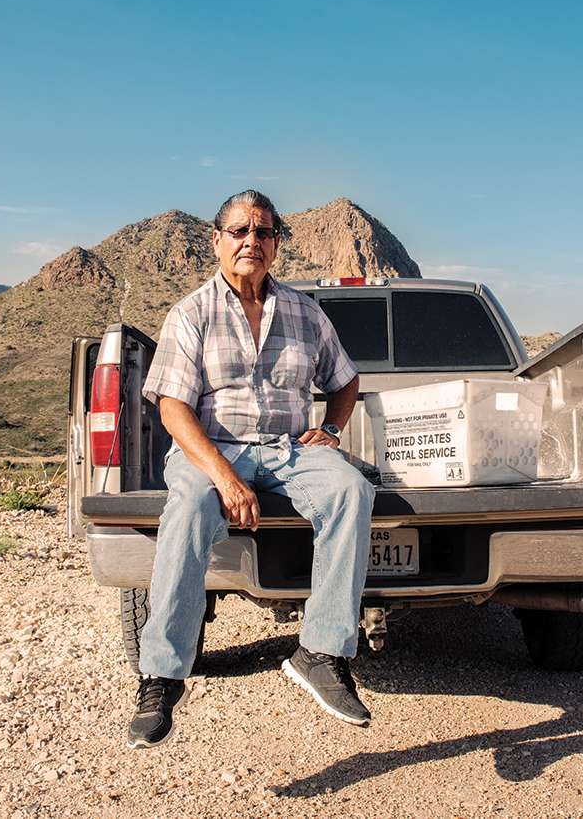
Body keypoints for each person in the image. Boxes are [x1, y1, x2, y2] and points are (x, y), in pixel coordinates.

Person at [127, 189, 376, 749]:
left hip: (288, 448)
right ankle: (162, 676)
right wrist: (223, 475)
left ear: (276, 244)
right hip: (211, 448)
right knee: (190, 505)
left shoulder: (305, 313)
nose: (251, 241)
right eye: (239, 231)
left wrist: (332, 430)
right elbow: (172, 407)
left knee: (351, 491)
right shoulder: (191, 313)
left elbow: (345, 380)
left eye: (262, 232)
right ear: (216, 240)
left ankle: (320, 652)